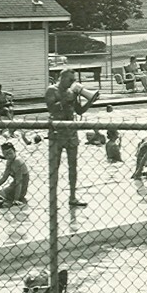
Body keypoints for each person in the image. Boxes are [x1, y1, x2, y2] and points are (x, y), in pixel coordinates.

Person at [46, 68, 95, 207]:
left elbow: (79, 110)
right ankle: (53, 197)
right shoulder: (52, 90)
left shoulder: (71, 92)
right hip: (57, 132)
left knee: (73, 166)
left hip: (71, 132)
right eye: (70, 80)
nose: (73, 83)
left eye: (74, 80)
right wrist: (64, 100)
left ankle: (72, 197)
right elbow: (51, 108)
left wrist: (90, 101)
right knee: (54, 166)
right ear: (62, 78)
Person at [0, 142, 30, 207]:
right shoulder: (9, 161)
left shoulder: (17, 161)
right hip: (14, 185)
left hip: (20, 188)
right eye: (5, 154)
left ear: (15, 151)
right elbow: (4, 178)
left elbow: (19, 182)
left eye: (10, 153)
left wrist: (16, 199)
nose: (8, 156)